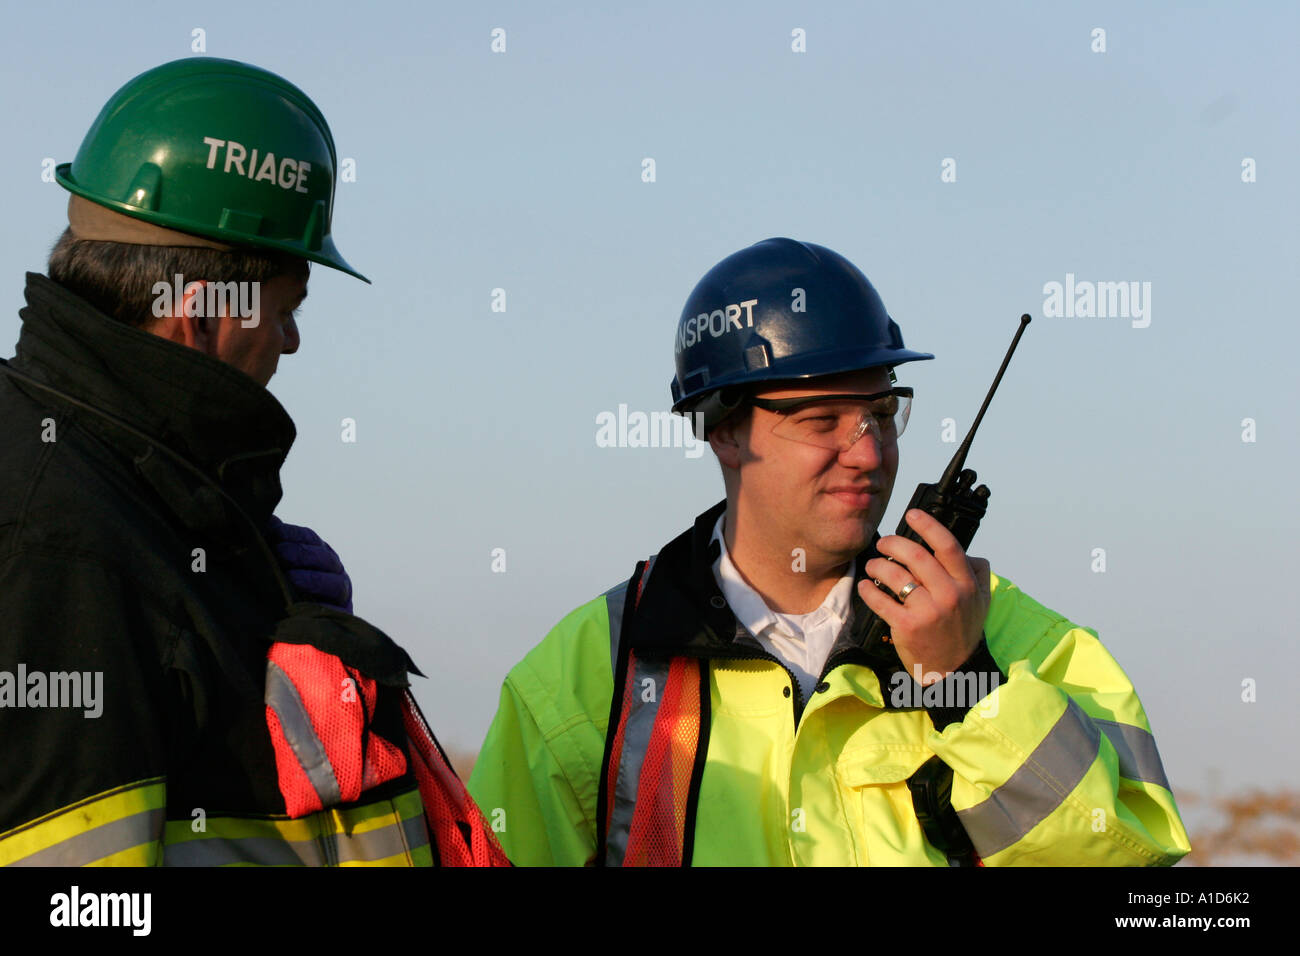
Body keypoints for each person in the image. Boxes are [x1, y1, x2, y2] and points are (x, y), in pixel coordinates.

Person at [468, 237, 1191, 866]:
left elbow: (1128, 867)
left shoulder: (1028, 645)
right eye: (824, 420)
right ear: (723, 431)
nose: (869, 452)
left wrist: (968, 685)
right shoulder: (580, 683)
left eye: (882, 413)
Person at [0, 57, 506, 867]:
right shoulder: (58, 538)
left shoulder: (141, 500)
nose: (293, 340)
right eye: (287, 308)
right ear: (202, 316)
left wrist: (257, 618)